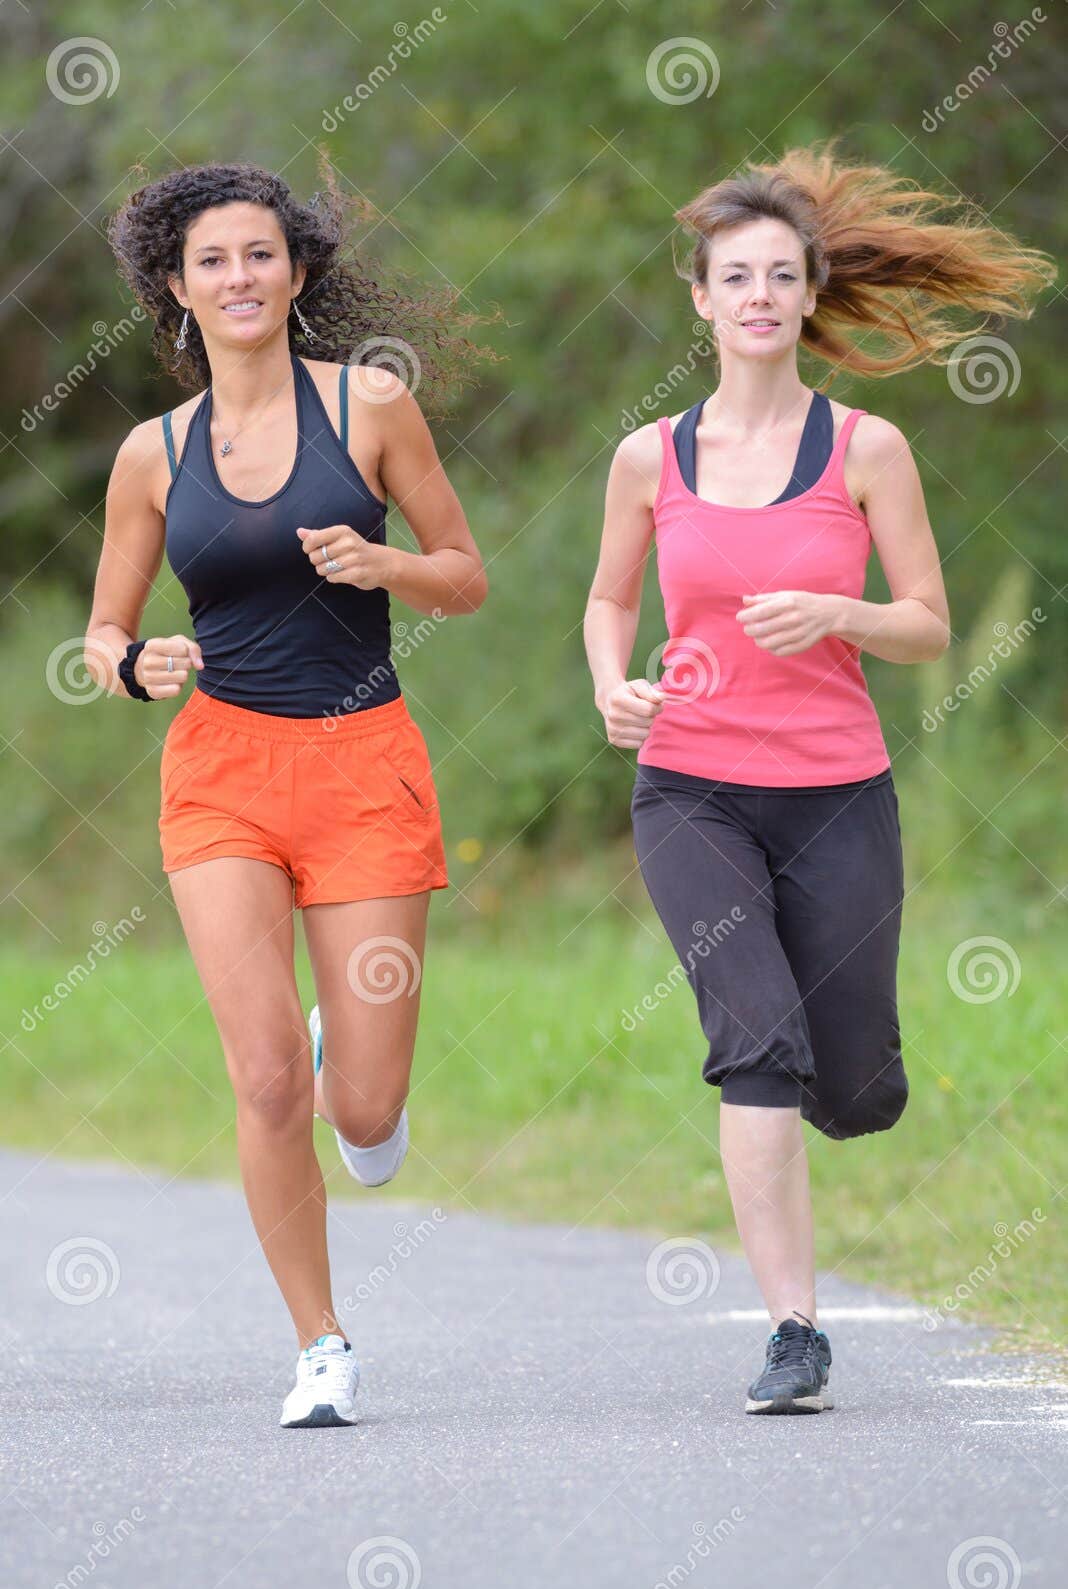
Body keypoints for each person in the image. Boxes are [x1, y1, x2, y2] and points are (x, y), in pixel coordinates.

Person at [584, 141, 1055, 1416]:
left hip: (839, 789)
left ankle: (851, 1090)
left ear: (806, 294)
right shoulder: (650, 458)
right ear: (701, 297)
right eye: (733, 276)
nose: (756, 296)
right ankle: (796, 1330)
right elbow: (610, 596)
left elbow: (929, 625)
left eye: (779, 276)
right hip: (691, 788)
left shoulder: (868, 449)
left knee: (851, 1084)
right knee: (758, 1045)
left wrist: (839, 613)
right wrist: (609, 682)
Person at [85, 162, 487, 1428]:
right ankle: (321, 1342)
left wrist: (385, 562)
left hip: (363, 761)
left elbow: (467, 574)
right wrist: (134, 666)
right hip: (221, 776)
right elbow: (104, 630)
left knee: (361, 1110)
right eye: (213, 260)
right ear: (174, 287)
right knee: (264, 1082)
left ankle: (347, 1066)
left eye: (261, 255)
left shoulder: (370, 406)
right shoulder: (150, 456)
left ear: (297, 272)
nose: (239, 278)